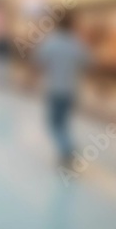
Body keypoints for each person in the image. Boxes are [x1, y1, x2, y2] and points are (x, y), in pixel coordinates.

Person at [35, 14, 90, 165]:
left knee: (54, 123)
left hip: (55, 90)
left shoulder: (51, 43)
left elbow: (40, 63)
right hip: (71, 90)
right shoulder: (77, 43)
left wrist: (29, 79)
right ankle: (67, 149)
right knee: (64, 123)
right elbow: (87, 64)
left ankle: (67, 150)